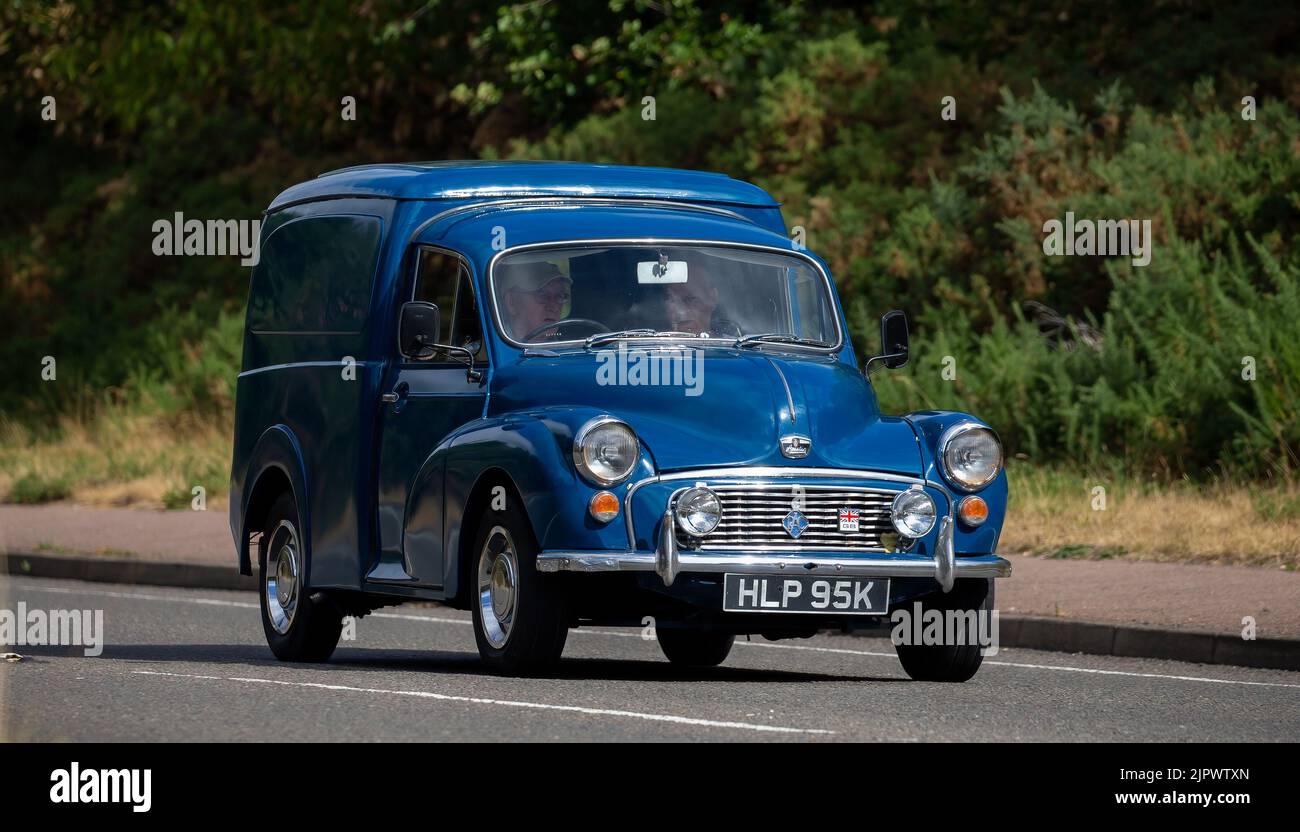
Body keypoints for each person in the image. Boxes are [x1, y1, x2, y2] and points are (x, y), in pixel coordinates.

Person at [498, 261, 572, 340]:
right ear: (511, 302)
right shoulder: (495, 346)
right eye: (542, 295)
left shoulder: (571, 345)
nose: (554, 308)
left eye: (559, 296)